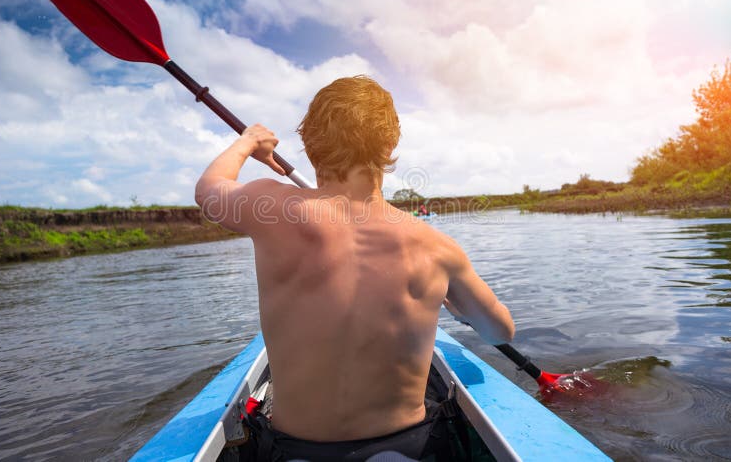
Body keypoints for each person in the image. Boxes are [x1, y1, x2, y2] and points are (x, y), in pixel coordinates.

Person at [195, 76, 514, 461]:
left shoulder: (272, 206)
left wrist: (248, 142)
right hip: (409, 447)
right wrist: (459, 307)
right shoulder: (437, 249)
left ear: (310, 147)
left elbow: (209, 190)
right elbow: (499, 331)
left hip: (295, 450)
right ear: (389, 146)